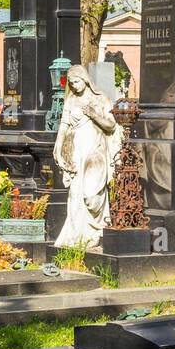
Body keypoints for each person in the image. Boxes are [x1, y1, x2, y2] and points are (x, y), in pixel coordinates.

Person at [53, 65, 122, 249]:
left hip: (95, 152)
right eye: (71, 83)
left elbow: (111, 125)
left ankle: (96, 229)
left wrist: (93, 114)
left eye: (76, 82)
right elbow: (64, 125)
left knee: (91, 195)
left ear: (85, 80)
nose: (74, 86)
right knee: (76, 195)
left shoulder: (100, 99)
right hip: (76, 152)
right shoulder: (71, 100)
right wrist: (58, 147)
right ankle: (78, 236)